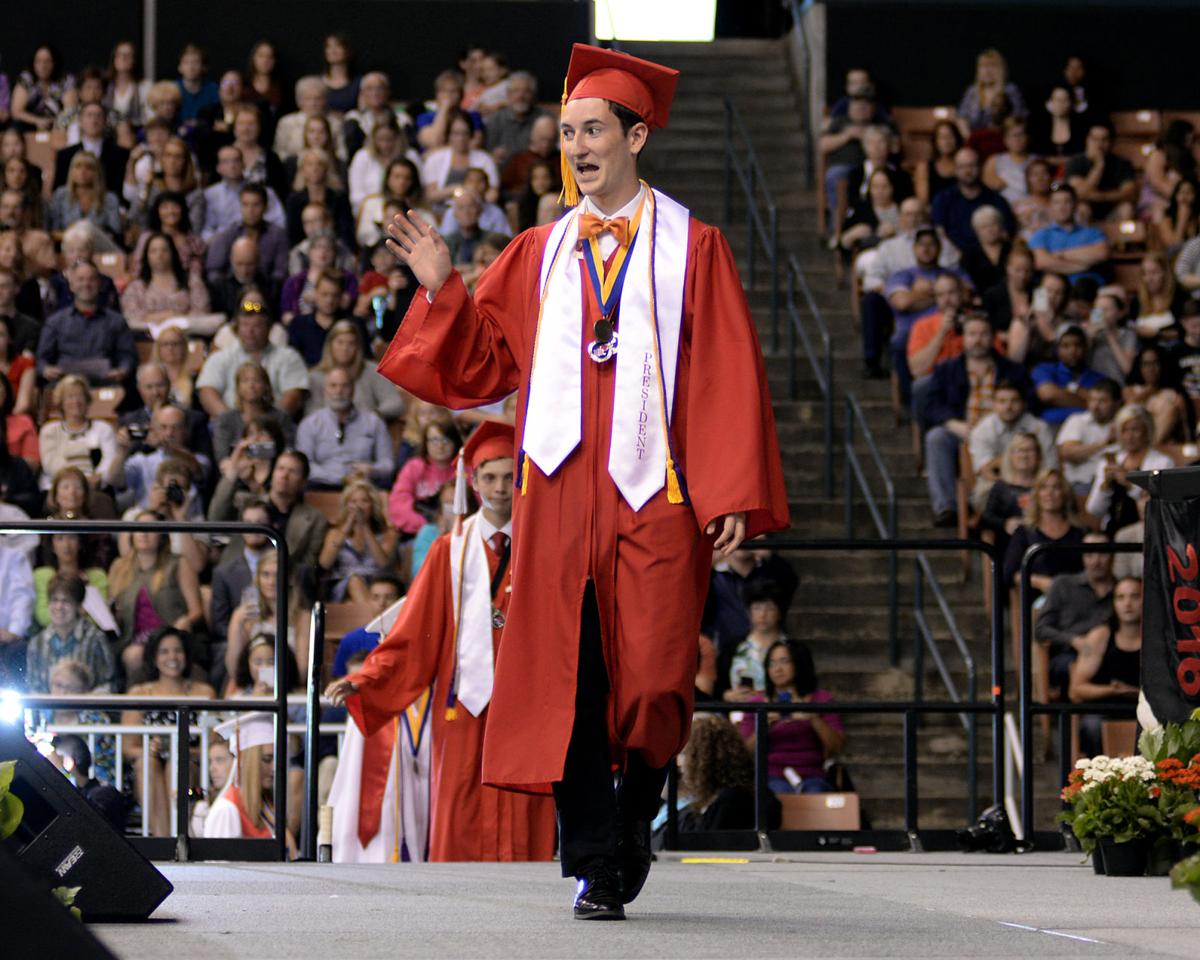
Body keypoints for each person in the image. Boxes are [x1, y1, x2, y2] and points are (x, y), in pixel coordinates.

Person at [375, 44, 787, 918]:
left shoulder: (693, 247)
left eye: (593, 130)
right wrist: (447, 289)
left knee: (653, 683)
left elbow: (721, 374)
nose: (578, 147)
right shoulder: (536, 253)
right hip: (557, 497)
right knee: (562, 683)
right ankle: (596, 859)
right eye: (567, 134)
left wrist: (728, 494)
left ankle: (635, 816)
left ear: (637, 134)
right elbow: (485, 362)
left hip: (655, 498)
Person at [327, 421, 558, 862]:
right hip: (462, 706)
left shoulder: (544, 546)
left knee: (526, 805)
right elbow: (414, 634)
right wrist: (369, 677)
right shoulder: (447, 551)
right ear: (471, 482)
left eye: (510, 477)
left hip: (527, 705)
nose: (500, 488)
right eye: (489, 477)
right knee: (460, 806)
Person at [923, 313, 1028, 526]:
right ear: (963, 338)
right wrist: (954, 424)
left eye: (983, 334)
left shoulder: (1012, 369)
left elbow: (1029, 402)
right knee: (936, 437)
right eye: (972, 334)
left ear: (993, 337)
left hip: (1004, 432)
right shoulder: (947, 368)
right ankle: (947, 507)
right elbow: (931, 406)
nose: (978, 339)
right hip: (962, 430)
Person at [120, 627, 215, 835]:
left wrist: (185, 751)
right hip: (148, 767)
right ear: (154, 657)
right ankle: (163, 841)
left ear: (187, 656)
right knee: (146, 763)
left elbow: (214, 745)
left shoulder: (204, 692)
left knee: (177, 762)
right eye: (164, 651)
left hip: (191, 766)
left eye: (178, 651)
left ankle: (178, 838)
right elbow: (128, 749)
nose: (172, 657)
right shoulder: (139, 693)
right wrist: (151, 749)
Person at [736, 639, 844, 794]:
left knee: (816, 792)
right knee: (777, 795)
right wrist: (764, 725)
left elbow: (837, 746)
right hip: (771, 776)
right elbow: (743, 751)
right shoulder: (757, 703)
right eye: (772, 663)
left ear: (799, 663)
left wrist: (813, 718)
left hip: (813, 775)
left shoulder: (822, 699)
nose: (777, 669)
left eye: (784, 661)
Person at [108, 509, 204, 680]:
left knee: (135, 656)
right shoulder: (119, 567)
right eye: (139, 528)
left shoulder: (178, 564)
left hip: (170, 637)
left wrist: (186, 620)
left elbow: (196, 610)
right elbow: (113, 609)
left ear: (161, 535)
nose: (144, 534)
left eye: (150, 528)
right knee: (128, 653)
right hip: (132, 639)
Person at [209, 448, 328, 576]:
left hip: (282, 583)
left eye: (293, 471)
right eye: (280, 468)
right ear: (273, 473)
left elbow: (308, 568)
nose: (284, 475)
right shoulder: (246, 502)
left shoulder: (315, 518)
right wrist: (233, 470)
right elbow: (216, 516)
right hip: (239, 578)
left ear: (303, 482)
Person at [197, 299, 309, 420]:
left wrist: (267, 424)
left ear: (269, 328)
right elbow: (207, 392)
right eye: (245, 325)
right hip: (229, 425)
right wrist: (232, 421)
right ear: (236, 329)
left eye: (257, 326)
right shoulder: (219, 358)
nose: (250, 331)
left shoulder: (289, 357)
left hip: (275, 427)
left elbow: (294, 396)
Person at [204, 711, 297, 856]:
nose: (274, 768)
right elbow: (222, 874)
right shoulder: (227, 811)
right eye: (266, 760)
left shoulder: (265, 807)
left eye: (275, 760)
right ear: (247, 761)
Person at [1069, 576, 1142, 757]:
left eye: (1135, 596)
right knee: (1092, 726)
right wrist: (1113, 690)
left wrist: (1135, 692)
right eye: (1121, 597)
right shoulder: (1099, 637)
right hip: (1103, 711)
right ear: (1114, 603)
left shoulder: (1157, 639)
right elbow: (1076, 690)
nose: (1128, 603)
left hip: (1143, 711)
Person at [1036, 531, 1116, 694]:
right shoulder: (1063, 585)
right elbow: (1041, 630)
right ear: (1082, 556)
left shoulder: (1123, 591)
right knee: (1072, 666)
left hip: (1111, 654)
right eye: (1089, 554)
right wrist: (1073, 640)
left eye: (1102, 553)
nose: (1096, 561)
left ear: (1112, 555)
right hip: (1069, 654)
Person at [674, 715, 780, 832]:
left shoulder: (732, 801)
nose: (679, 762)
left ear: (703, 759)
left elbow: (705, 844)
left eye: (684, 754)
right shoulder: (723, 796)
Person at [36, 260, 135, 386]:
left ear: (99, 284)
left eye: (91, 279)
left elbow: (127, 355)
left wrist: (123, 370)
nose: (86, 284)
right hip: (64, 384)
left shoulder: (117, 321)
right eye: (80, 279)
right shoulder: (55, 322)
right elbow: (41, 358)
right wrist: (45, 369)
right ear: (71, 285)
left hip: (106, 382)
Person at [295, 366, 394, 488]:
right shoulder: (310, 424)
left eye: (344, 386)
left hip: (363, 486)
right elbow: (304, 465)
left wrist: (372, 470)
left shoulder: (374, 422)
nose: (339, 391)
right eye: (333, 386)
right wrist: (340, 479)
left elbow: (387, 464)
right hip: (322, 485)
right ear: (325, 390)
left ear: (353, 390)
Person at [225, 550, 311, 685]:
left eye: (278, 575)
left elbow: (302, 671)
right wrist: (236, 624)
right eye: (265, 574)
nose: (271, 581)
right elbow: (233, 671)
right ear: (257, 578)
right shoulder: (244, 616)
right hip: (252, 690)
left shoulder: (303, 617)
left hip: (289, 688)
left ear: (291, 578)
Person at [1085, 403, 1174, 532]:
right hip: (1113, 529)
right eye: (1124, 430)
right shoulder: (1109, 461)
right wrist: (1105, 487)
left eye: (1135, 430)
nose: (1129, 436)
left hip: (1147, 530)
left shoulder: (1163, 462)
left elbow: (1161, 506)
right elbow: (1094, 509)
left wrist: (1130, 485)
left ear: (1147, 431)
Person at [25, 573, 115, 693]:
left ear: (79, 606)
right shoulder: (37, 643)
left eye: (66, 601)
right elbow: (34, 688)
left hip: (86, 708)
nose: (59, 607)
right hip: (49, 709)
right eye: (54, 600)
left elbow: (107, 685)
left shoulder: (95, 639)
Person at [209, 497, 272, 666]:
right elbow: (220, 625)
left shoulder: (291, 568)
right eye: (248, 522)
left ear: (272, 526)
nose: (253, 528)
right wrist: (241, 630)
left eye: (259, 522)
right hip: (240, 637)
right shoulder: (223, 573)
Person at [1003, 468, 1086, 594]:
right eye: (1043, 488)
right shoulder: (1024, 532)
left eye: (1056, 487)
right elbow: (1009, 574)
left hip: (1075, 596)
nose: (1050, 493)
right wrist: (1039, 582)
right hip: (1037, 600)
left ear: (1064, 493)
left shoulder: (1080, 532)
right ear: (1037, 494)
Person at [968, 379, 1056, 493]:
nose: (1008, 406)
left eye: (1014, 401)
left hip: (1035, 484)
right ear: (993, 404)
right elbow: (985, 471)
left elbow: (1050, 466)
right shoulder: (981, 431)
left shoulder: (1039, 428)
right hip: (995, 484)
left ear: (1024, 404)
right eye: (1002, 401)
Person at [307, 319, 405, 422]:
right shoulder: (315, 376)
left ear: (357, 347)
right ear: (330, 344)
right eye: (340, 342)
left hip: (367, 430)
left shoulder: (371, 370)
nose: (345, 348)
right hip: (327, 431)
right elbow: (311, 413)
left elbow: (396, 404)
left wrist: (372, 416)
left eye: (351, 343)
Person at [37, 375, 118, 492]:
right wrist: (79, 481)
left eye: (80, 396)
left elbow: (109, 461)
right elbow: (51, 464)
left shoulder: (103, 428)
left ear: (87, 400)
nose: (76, 401)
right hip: (57, 488)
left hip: (96, 487)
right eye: (70, 397)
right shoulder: (49, 430)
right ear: (61, 402)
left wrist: (98, 477)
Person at [205, 183, 290, 292]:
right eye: (245, 204)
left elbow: (280, 272)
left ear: (265, 207)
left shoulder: (277, 234)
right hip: (232, 293)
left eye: (256, 205)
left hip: (265, 293)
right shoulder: (228, 234)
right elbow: (214, 271)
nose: (250, 211)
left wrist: (262, 289)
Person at [120, 232, 211, 332]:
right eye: (153, 251)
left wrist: (175, 319)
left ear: (172, 253)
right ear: (146, 256)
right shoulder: (136, 287)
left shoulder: (191, 281)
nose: (159, 255)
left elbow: (202, 312)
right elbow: (132, 317)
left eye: (164, 250)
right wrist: (170, 316)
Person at [931, 147, 1015, 253]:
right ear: (955, 170)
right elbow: (939, 233)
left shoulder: (997, 200)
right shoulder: (943, 199)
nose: (967, 171)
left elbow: (1005, 234)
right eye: (962, 166)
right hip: (953, 259)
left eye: (972, 165)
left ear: (980, 167)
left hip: (989, 258)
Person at [387, 415, 461, 535]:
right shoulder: (414, 467)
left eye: (446, 440)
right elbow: (398, 505)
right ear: (425, 443)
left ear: (455, 442)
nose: (440, 446)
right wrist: (428, 526)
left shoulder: (465, 469)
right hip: (420, 531)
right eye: (434, 440)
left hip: (460, 530)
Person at [715, 581, 788, 700]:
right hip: (738, 714)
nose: (763, 615)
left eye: (770, 608)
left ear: (780, 613)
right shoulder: (734, 647)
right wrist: (727, 695)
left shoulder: (790, 648)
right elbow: (717, 687)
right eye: (757, 608)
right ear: (749, 612)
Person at [978, 431, 1043, 561]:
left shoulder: (1047, 484)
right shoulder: (1000, 487)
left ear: (1038, 456)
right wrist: (1005, 524)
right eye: (1019, 450)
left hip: (1042, 543)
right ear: (1010, 455)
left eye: (1030, 450)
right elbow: (986, 519)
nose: (1024, 455)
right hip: (1009, 547)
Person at [1027, 183, 1108, 284]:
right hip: (1054, 292)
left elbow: (1101, 254)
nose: (1062, 207)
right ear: (1050, 206)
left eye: (1067, 202)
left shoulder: (1092, 232)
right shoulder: (1041, 235)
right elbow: (1042, 262)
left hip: (1090, 289)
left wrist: (1060, 254)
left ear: (1075, 205)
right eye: (1057, 202)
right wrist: (1082, 266)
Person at [202, 145, 286, 242]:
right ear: (218, 168)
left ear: (244, 164)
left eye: (236, 160)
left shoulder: (265, 192)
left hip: (259, 243)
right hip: (222, 244)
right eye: (226, 162)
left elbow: (279, 222)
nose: (232, 166)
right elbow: (207, 229)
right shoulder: (209, 194)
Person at [420, 112, 500, 209]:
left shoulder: (484, 159)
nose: (460, 138)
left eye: (465, 133)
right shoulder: (435, 159)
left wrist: (475, 198)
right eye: (456, 133)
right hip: (441, 213)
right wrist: (457, 189)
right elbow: (429, 196)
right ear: (448, 135)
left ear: (471, 135)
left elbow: (493, 194)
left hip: (477, 212)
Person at [50, 733, 127, 830]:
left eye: (59, 760)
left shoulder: (103, 795)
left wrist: (59, 775)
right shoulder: (90, 793)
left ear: (68, 762)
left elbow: (86, 825)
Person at [53, 102, 129, 196]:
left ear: (105, 122)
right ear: (80, 121)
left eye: (98, 116)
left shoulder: (121, 154)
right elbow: (58, 189)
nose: (94, 120)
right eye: (89, 115)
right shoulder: (65, 155)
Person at [1065, 123, 1137, 222]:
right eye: (1095, 139)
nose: (1099, 144)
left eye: (1104, 140)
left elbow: (1129, 193)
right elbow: (1080, 194)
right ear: (1087, 140)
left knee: (1127, 208)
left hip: (1112, 209)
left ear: (1111, 143)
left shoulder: (1122, 163)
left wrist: (1101, 196)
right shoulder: (1075, 162)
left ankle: (1121, 237)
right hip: (1086, 208)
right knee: (1082, 209)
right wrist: (1099, 166)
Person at [285, 148, 353, 249]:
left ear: (326, 169)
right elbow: (292, 234)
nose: (315, 168)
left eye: (319, 164)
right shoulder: (294, 200)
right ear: (302, 170)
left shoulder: (339, 197)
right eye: (310, 164)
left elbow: (346, 231)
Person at [1122, 345, 1190, 447]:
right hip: (1130, 445)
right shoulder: (1130, 391)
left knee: (1170, 405)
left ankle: (1149, 450)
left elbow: (1186, 432)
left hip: (1162, 447)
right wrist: (1150, 390)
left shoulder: (1174, 396)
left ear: (1163, 365)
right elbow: (1124, 415)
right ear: (1139, 367)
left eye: (1155, 363)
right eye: (1146, 364)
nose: (1151, 369)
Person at [47, 152, 121, 243]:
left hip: (100, 245)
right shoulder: (60, 195)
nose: (83, 172)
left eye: (89, 168)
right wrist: (75, 237)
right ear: (72, 171)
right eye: (78, 167)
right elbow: (53, 232)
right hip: (68, 245)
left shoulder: (110, 199)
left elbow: (115, 233)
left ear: (97, 172)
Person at [956, 49, 1026, 133]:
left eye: (992, 66)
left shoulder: (1009, 90)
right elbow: (961, 118)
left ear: (1001, 69)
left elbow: (1018, 117)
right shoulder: (972, 92)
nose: (987, 71)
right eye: (983, 66)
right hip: (975, 139)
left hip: (1002, 138)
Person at [1131, 253, 1188, 341]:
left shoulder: (1179, 297)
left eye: (1154, 273)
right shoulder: (1136, 300)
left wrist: (1157, 334)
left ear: (1165, 273)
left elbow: (1185, 331)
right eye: (1145, 273)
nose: (1149, 278)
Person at [960, 206, 1011, 294]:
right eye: (984, 227)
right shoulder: (969, 254)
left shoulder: (1012, 249)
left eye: (993, 224)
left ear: (1001, 226)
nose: (990, 230)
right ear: (976, 231)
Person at [915, 120, 963, 206]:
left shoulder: (964, 165)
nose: (946, 141)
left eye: (950, 136)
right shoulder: (925, 167)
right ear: (935, 141)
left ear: (957, 139)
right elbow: (923, 202)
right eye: (942, 137)